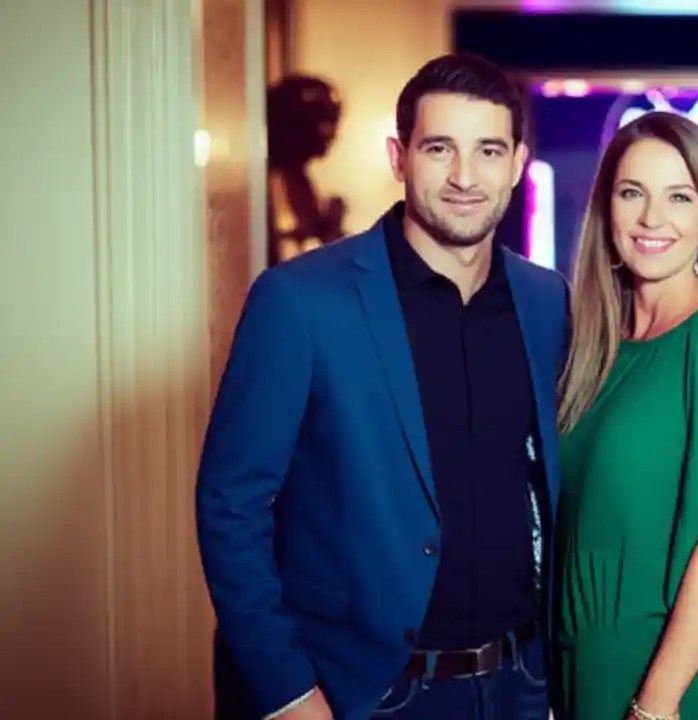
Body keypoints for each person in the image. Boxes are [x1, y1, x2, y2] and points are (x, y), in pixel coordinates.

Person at [196, 53, 568, 720]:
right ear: (399, 158)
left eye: (487, 150)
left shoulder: (548, 302)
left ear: (516, 162)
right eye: (438, 148)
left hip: (522, 684)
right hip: (368, 693)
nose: (464, 176)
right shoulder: (300, 302)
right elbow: (231, 503)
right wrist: (287, 693)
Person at [553, 111, 698, 720]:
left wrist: (654, 705)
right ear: (607, 212)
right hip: (589, 660)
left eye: (679, 197)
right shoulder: (594, 348)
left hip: (675, 677)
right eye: (633, 193)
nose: (653, 219)